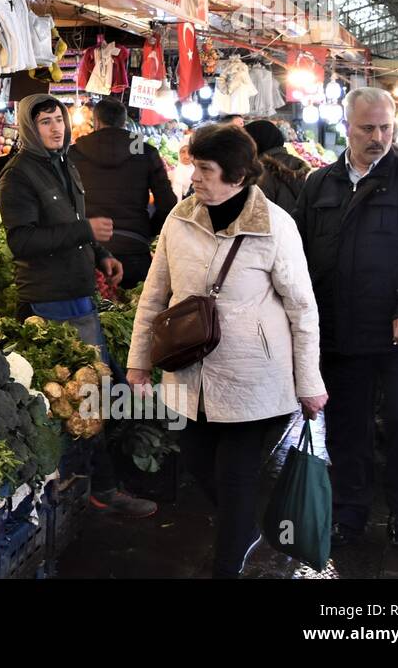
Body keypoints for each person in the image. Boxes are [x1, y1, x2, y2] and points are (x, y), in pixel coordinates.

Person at [126, 125, 326, 578]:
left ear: (237, 176)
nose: (195, 176)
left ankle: (229, 560)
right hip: (187, 371)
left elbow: (302, 309)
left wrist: (309, 382)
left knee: (235, 477)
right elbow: (154, 296)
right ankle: (242, 526)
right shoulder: (179, 218)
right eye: (194, 166)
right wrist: (139, 360)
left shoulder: (276, 225)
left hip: (253, 377)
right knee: (198, 463)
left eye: (206, 169)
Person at [293, 87, 398, 547]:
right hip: (340, 331)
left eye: (386, 127)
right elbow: (298, 253)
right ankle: (350, 510)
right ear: (347, 127)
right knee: (346, 425)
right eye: (368, 128)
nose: (378, 136)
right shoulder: (319, 184)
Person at [0, 93, 156, 519]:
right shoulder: (18, 177)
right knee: (82, 397)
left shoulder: (64, 164)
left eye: (58, 119)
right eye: (45, 121)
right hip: (49, 302)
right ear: (30, 128)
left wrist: (100, 254)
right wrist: (85, 229)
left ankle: (86, 483)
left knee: (92, 394)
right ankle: (96, 487)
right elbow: (22, 242)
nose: (55, 128)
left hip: (79, 293)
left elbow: (70, 227)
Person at [68, 98, 177, 288]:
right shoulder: (145, 151)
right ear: (124, 123)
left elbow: (61, 204)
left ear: (97, 122)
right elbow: (168, 204)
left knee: (87, 314)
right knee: (135, 315)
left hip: (86, 251)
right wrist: (146, 231)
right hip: (134, 250)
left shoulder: (73, 153)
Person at [245, 119, 310, 212]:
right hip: (297, 225)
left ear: (255, 143)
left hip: (273, 225)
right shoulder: (299, 164)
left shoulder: (260, 172)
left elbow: (256, 213)